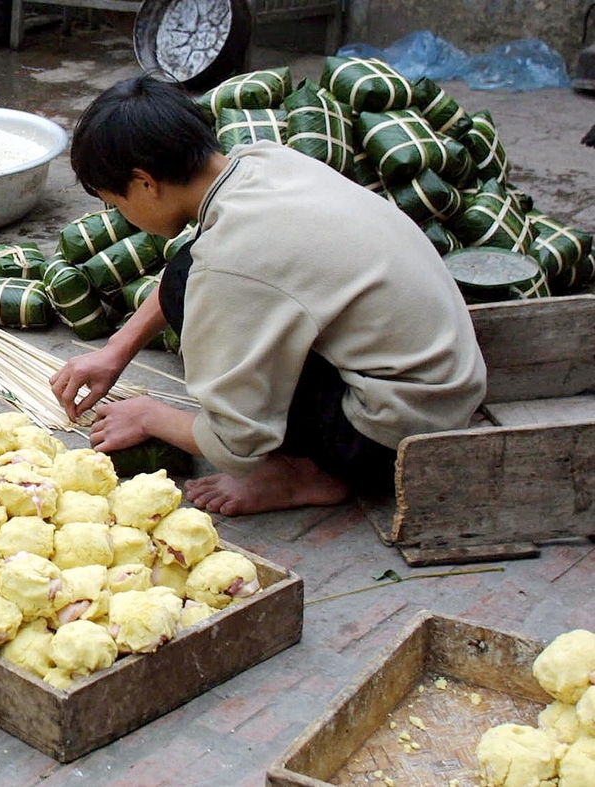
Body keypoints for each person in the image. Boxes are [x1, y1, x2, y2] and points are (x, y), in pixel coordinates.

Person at [49, 76, 487, 517]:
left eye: (115, 202)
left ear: (145, 182)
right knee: (185, 275)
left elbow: (236, 442)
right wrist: (116, 351)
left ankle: (307, 475)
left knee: (211, 311)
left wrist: (149, 415)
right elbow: (197, 269)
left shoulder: (233, 259)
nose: (121, 215)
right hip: (451, 382)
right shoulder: (263, 161)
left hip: (396, 435)